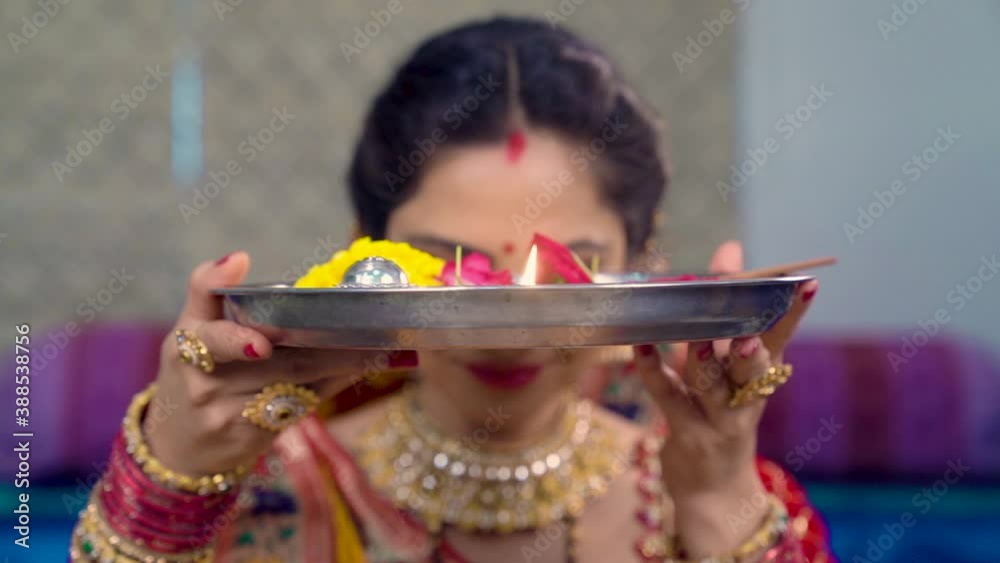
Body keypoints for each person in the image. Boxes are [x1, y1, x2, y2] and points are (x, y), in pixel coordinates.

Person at [70, 16, 833, 562]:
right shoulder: (257, 497)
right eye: (447, 268)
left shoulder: (719, 493)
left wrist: (713, 496)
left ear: (641, 262)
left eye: (567, 271)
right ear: (362, 255)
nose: (508, 330)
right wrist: (168, 483)